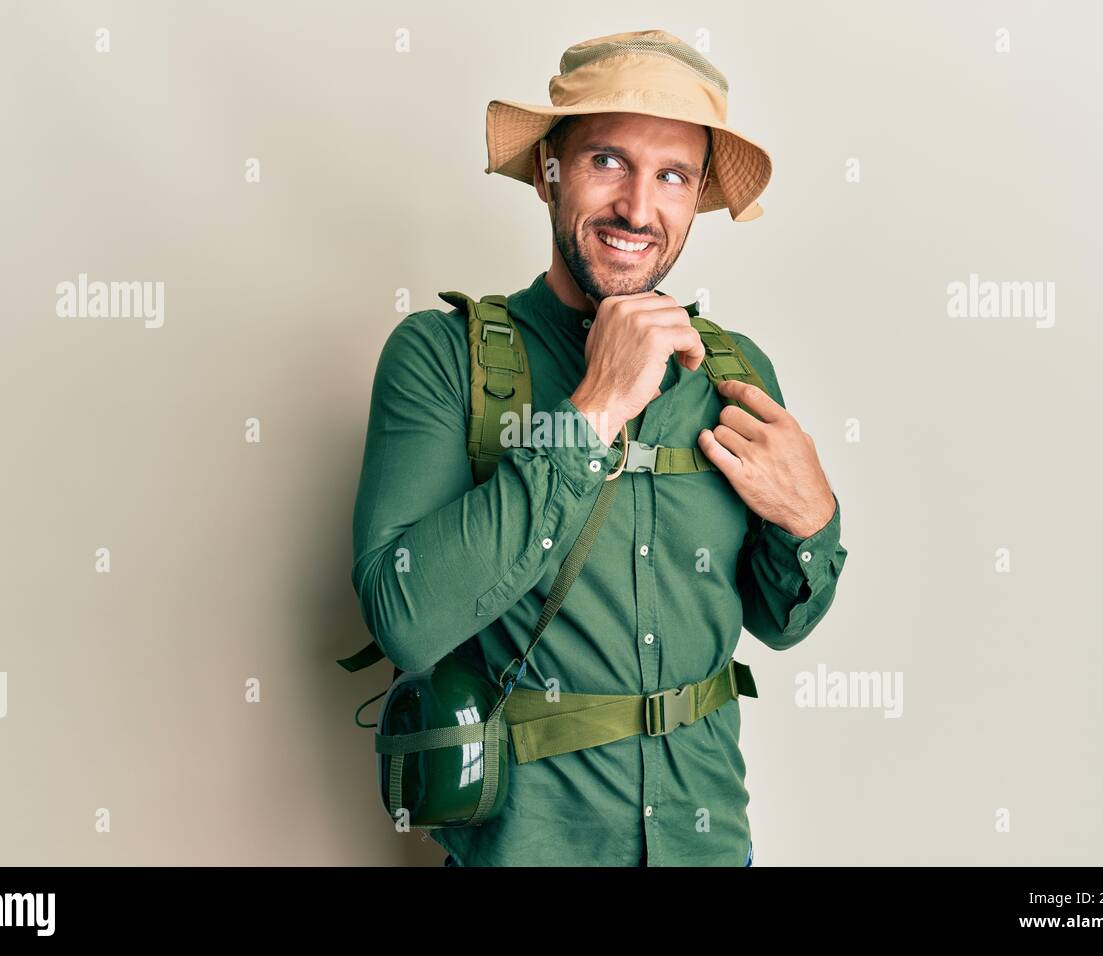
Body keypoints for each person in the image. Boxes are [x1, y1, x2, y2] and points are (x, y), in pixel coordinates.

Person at [351, 29, 847, 866]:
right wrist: (593, 409)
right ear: (549, 167)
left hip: (711, 843)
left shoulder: (735, 371)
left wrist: (814, 521)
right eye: (608, 161)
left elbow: (779, 622)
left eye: (673, 176)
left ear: (696, 198)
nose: (638, 209)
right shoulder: (443, 357)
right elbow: (405, 619)